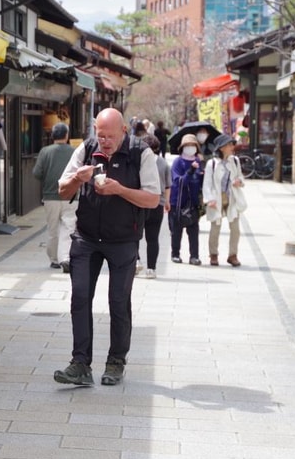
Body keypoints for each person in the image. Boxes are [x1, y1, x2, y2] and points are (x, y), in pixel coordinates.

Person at [53, 108, 162, 387]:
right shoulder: (86, 149)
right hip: (87, 237)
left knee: (118, 301)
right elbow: (62, 190)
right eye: (101, 136)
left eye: (111, 137)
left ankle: (115, 362)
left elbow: (152, 199)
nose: (105, 142)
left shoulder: (141, 154)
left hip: (124, 239)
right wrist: (78, 178)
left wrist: (120, 190)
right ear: (94, 130)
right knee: (79, 298)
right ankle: (80, 364)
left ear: (124, 131)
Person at [32, 123, 77, 272]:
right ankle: (66, 257)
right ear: (66, 135)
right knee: (69, 227)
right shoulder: (74, 151)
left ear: (52, 136)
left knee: (53, 230)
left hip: (50, 196)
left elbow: (37, 173)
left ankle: (54, 260)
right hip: (70, 196)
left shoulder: (45, 152)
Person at [202, 133, 247, 267]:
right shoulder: (212, 163)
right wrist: (209, 199)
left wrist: (239, 181)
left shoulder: (235, 161)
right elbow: (207, 183)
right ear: (221, 148)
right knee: (215, 228)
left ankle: (233, 255)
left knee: (235, 229)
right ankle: (213, 255)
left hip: (232, 198)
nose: (232, 146)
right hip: (217, 198)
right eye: (229, 145)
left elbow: (240, 176)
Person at [169, 134, 205, 265]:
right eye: (187, 145)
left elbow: (200, 183)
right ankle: (175, 254)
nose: (190, 148)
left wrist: (202, 175)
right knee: (176, 230)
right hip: (178, 202)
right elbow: (179, 181)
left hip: (193, 202)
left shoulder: (198, 162)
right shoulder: (178, 162)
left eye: (193, 145)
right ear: (182, 147)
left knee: (194, 230)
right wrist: (191, 170)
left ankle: (194, 256)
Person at [139, 135, 171, 279]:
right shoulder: (163, 163)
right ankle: (151, 268)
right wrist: (167, 202)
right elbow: (168, 186)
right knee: (153, 238)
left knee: (134, 235)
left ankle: (137, 261)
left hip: (139, 202)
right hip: (157, 203)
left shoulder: (139, 161)